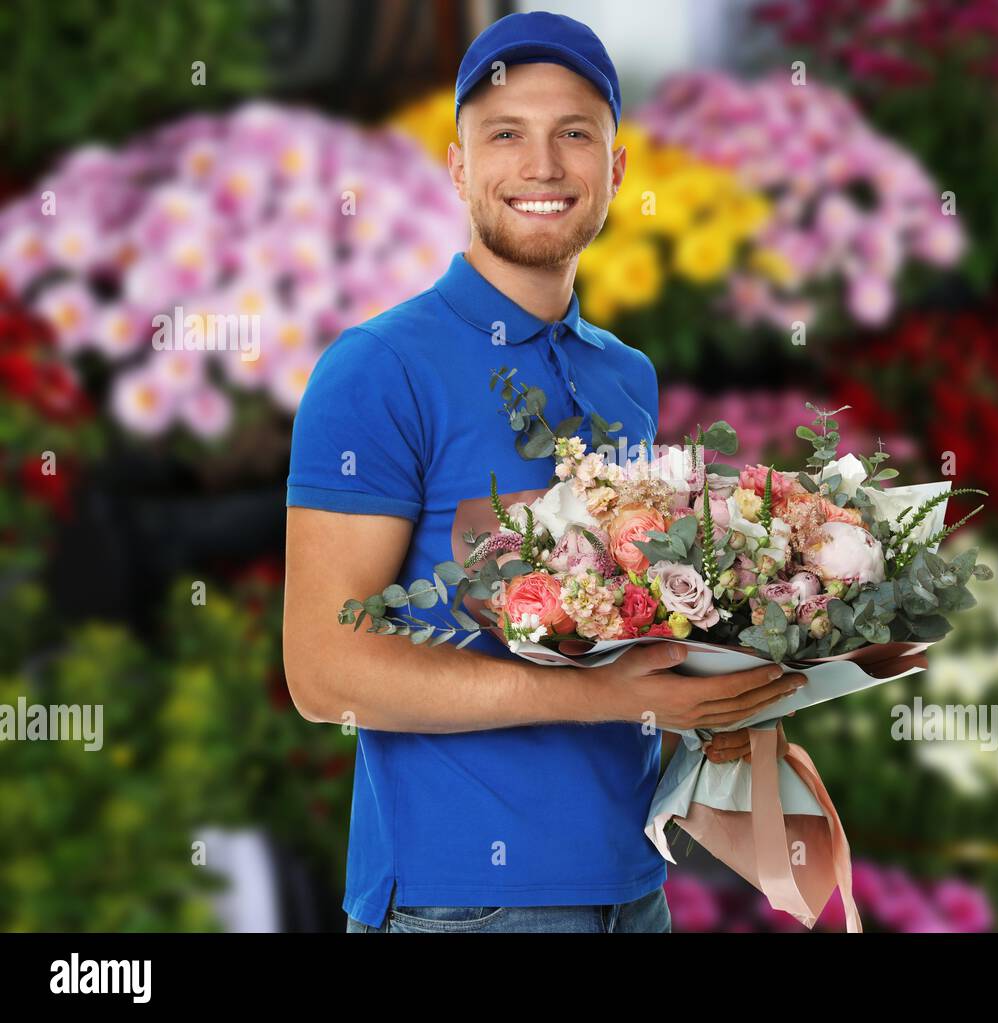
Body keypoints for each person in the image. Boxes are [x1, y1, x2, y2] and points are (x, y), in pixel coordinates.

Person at [282, 10, 804, 934]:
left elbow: (623, 625)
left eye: (574, 133)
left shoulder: (625, 375)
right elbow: (324, 673)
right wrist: (605, 693)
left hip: (634, 886)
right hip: (462, 901)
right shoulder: (375, 368)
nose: (543, 165)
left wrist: (721, 687)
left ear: (616, 168)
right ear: (457, 167)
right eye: (505, 134)